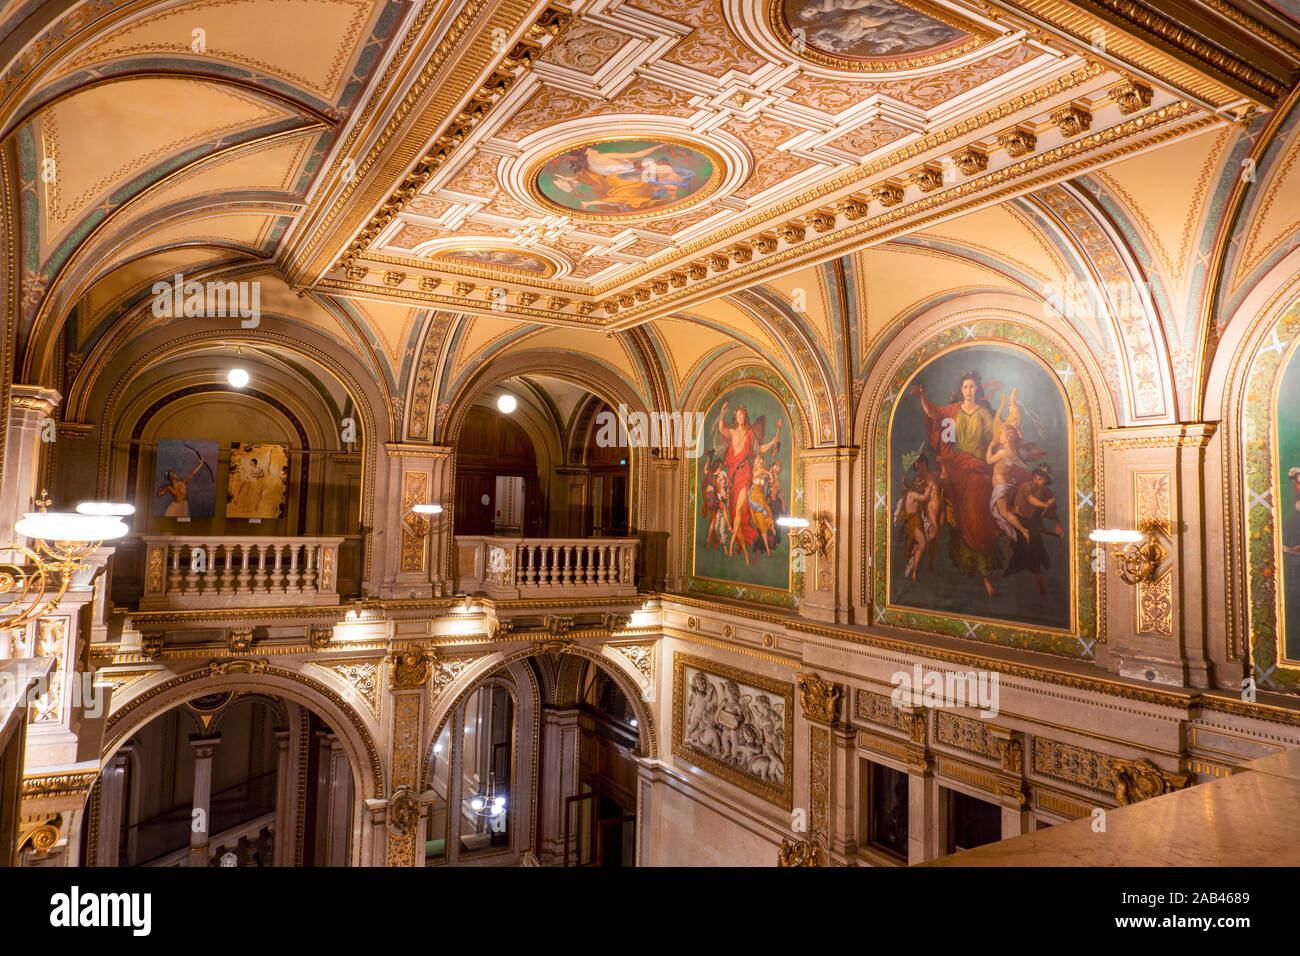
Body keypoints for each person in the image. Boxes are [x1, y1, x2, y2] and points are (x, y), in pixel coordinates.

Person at [912, 372, 1011, 596]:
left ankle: (986, 568)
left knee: (977, 516)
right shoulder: (951, 411)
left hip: (977, 469)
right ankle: (971, 566)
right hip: (956, 469)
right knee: (958, 516)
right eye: (965, 386)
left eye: (972, 386)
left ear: (977, 389)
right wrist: (923, 396)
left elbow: (994, 439)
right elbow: (932, 413)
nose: (968, 390)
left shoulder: (984, 413)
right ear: (961, 389)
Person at [717, 401, 782, 564]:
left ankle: (732, 543)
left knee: (739, 508)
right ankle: (739, 544)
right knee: (734, 511)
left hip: (745, 471)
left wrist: (772, 443)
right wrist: (722, 412)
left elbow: (758, 449)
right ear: (735, 418)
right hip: (734, 474)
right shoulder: (732, 432)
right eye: (737, 415)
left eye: (741, 415)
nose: (739, 417)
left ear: (745, 417)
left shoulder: (750, 433)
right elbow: (721, 429)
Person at [1004, 465, 1063, 594]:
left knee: (1035, 542)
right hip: (1018, 519)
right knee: (1033, 542)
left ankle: (1036, 571)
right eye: (1036, 477)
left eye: (1040, 479)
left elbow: (1038, 512)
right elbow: (1031, 501)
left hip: (1030, 521)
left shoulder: (1042, 492)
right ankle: (1036, 575)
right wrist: (1045, 504)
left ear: (1045, 481)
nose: (1036, 481)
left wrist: (1043, 526)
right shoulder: (1026, 486)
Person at [895, 474, 934, 582]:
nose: (919, 485)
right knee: (922, 544)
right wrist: (930, 486)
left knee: (919, 545)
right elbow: (925, 497)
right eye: (918, 483)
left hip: (916, 522)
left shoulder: (909, 490)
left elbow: (906, 488)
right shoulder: (912, 494)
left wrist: (903, 483)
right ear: (914, 484)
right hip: (913, 523)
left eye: (920, 483)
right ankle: (915, 571)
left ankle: (913, 555)